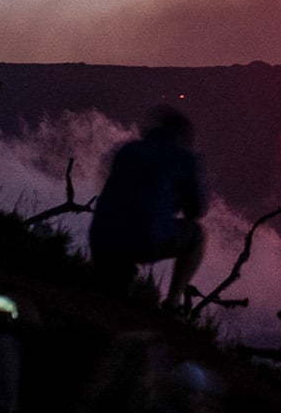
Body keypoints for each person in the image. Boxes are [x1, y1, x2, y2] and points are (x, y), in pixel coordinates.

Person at [89, 106, 209, 312]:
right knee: (197, 234)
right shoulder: (184, 159)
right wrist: (195, 176)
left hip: (101, 238)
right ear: (184, 136)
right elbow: (196, 211)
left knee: (113, 299)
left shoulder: (129, 150)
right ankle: (172, 303)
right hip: (142, 239)